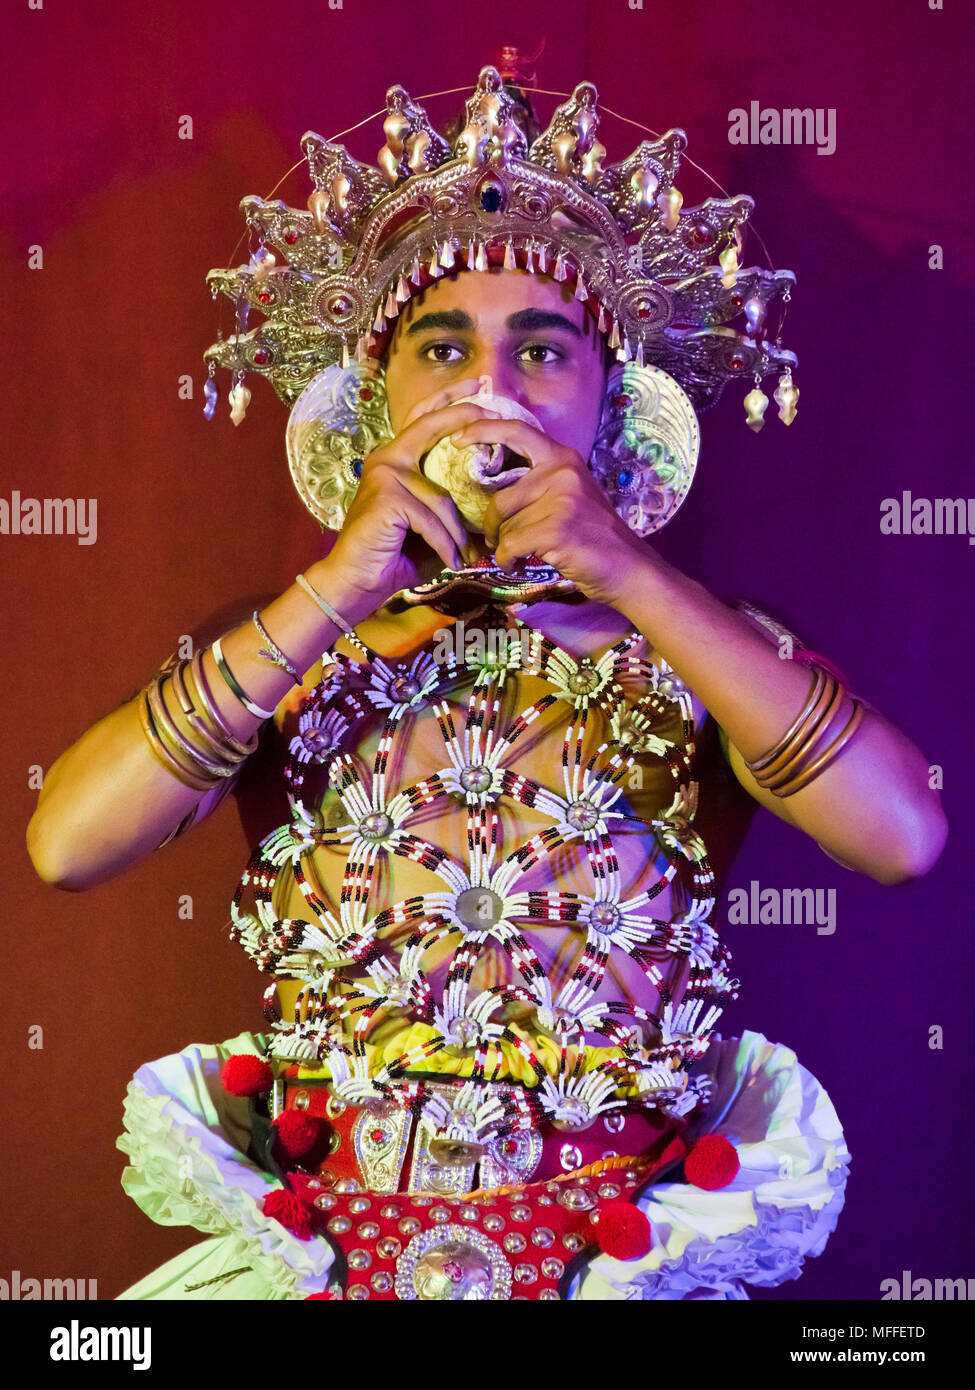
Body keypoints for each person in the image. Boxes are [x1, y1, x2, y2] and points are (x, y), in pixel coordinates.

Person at [26, 64, 947, 1302]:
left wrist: (623, 570)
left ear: (611, 402)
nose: (488, 389)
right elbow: (66, 846)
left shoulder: (697, 648)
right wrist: (337, 591)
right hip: (326, 1257)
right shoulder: (291, 649)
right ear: (376, 396)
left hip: (616, 1265)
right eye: (442, 344)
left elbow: (903, 836)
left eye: (543, 349)